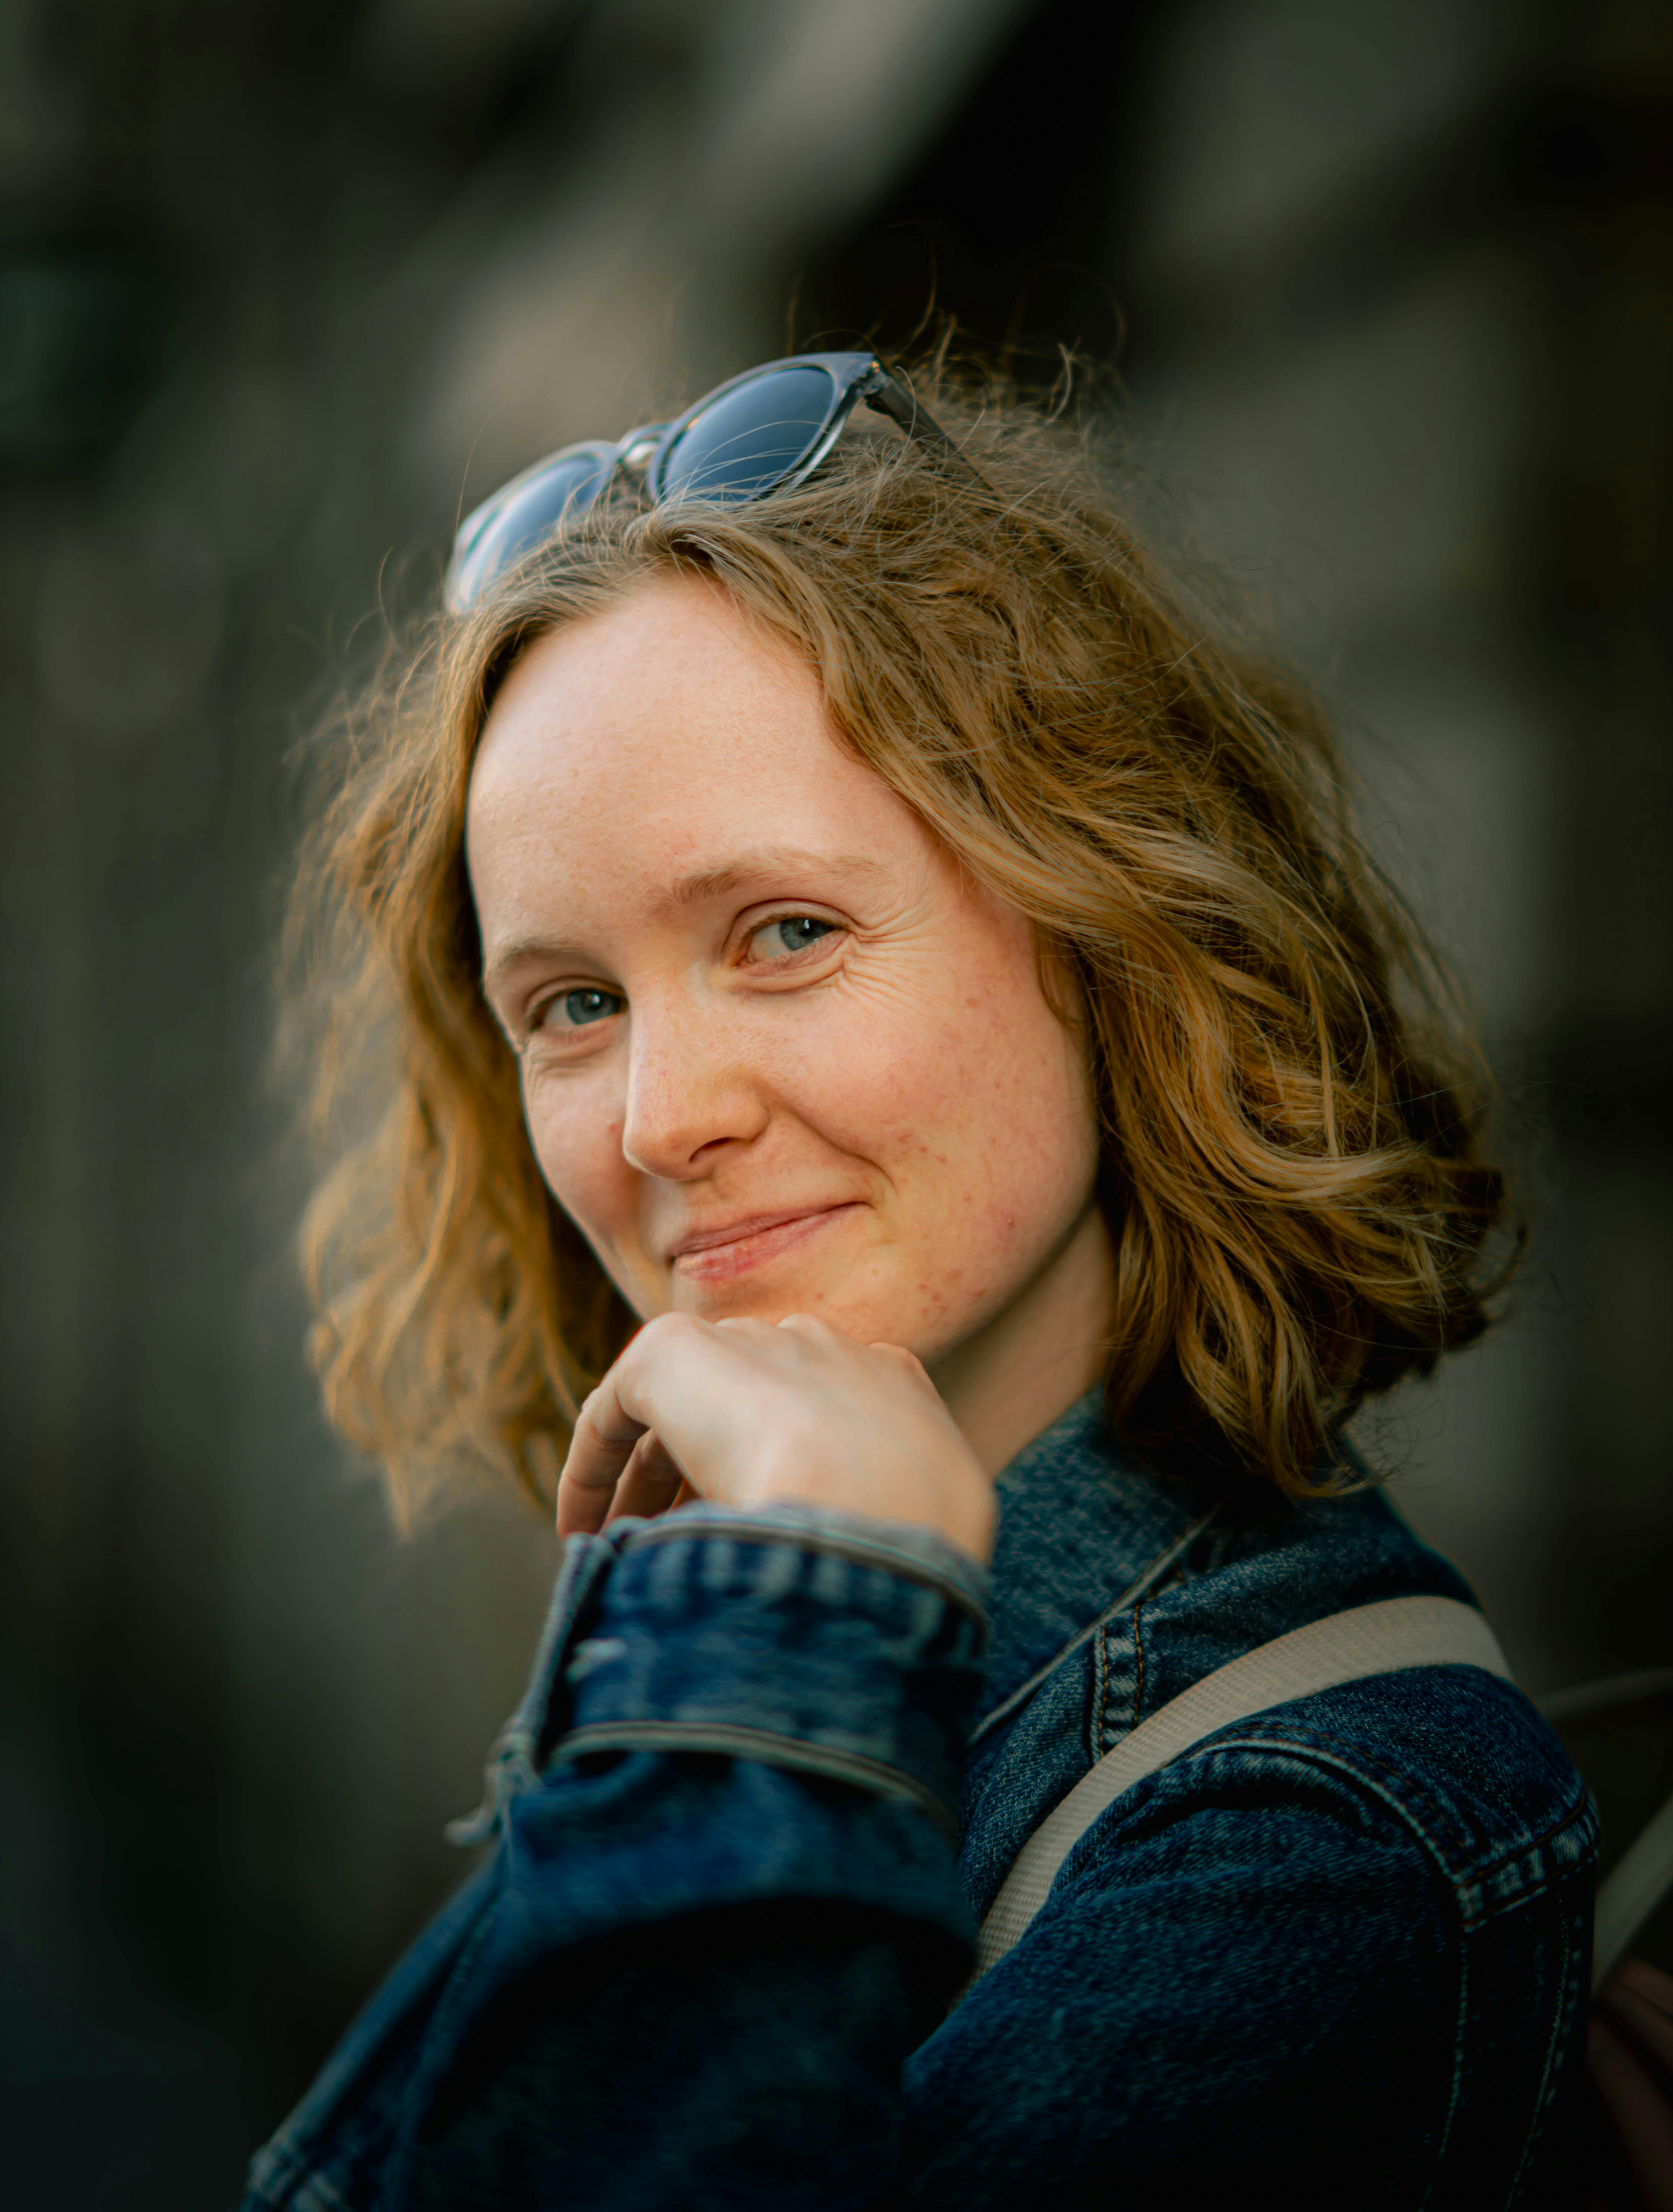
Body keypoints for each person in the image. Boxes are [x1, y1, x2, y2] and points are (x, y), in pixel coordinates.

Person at [244, 355, 1596, 2210]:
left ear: (1115, 922)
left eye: (784, 934)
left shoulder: (1303, 1838)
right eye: (572, 1004)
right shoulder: (704, 1618)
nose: (658, 1118)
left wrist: (791, 1634)